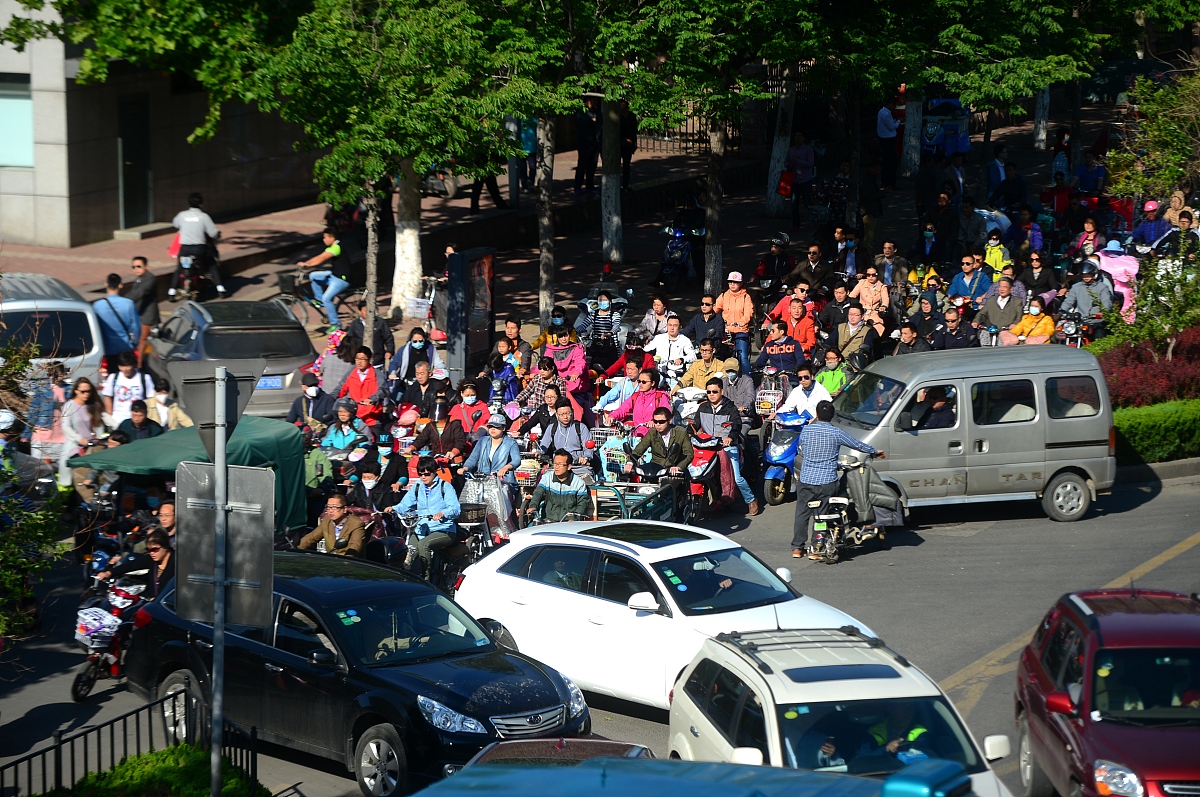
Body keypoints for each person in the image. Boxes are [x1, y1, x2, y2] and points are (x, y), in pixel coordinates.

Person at [792, 400, 880, 559]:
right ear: (832, 416)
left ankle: (797, 548)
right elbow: (857, 444)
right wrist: (874, 451)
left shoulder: (806, 431)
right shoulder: (836, 433)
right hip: (826, 482)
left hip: (806, 480)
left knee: (802, 514)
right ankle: (816, 548)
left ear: (816, 414)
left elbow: (802, 448)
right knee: (822, 514)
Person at [698, 378, 758, 515]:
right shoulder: (702, 408)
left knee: (736, 477)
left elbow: (736, 426)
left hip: (727, 447)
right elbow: (694, 425)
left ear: (722, 391)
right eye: (709, 392)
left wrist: (730, 437)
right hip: (708, 447)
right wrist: (690, 433)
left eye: (715, 391)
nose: (711, 394)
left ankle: (751, 499)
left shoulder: (730, 408)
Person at [395, 455, 461, 576]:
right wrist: (392, 509)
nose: (423, 477)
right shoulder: (417, 486)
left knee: (423, 545)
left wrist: (443, 513)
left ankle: (426, 578)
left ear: (435, 472)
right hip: (421, 529)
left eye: (427, 474)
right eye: (421, 474)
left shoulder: (445, 487)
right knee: (407, 551)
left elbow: (456, 509)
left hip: (443, 530)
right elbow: (405, 504)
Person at [170, 193, 226, 298]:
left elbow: (175, 224)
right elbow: (213, 233)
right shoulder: (204, 217)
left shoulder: (182, 215)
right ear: (201, 204)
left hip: (185, 249)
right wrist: (218, 234)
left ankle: (171, 292)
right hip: (199, 249)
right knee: (212, 264)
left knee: (179, 268)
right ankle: (221, 289)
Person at [299, 228, 353, 334]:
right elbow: (319, 256)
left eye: (325, 237)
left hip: (341, 279)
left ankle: (336, 325)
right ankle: (319, 301)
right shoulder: (333, 246)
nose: (324, 240)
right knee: (313, 275)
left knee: (327, 298)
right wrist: (306, 263)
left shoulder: (336, 247)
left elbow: (322, 258)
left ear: (332, 238)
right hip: (334, 275)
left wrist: (308, 265)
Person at [97, 528, 175, 598]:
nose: (151, 553)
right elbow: (130, 566)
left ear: (165, 547)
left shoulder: (177, 562)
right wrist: (108, 573)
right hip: (151, 601)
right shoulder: (151, 559)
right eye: (148, 550)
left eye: (155, 550)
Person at [59, 377, 104, 486]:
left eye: (89, 391)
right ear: (76, 391)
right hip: (76, 447)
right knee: (76, 476)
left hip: (93, 447)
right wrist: (79, 439)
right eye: (83, 392)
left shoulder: (93, 405)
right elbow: (65, 426)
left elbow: (104, 418)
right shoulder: (69, 405)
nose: (86, 394)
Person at [624, 408, 693, 477]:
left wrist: (678, 467)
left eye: (661, 422)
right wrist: (630, 463)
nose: (658, 424)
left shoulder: (681, 432)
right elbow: (639, 450)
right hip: (655, 471)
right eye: (655, 421)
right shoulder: (652, 433)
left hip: (674, 472)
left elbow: (689, 454)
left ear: (670, 420)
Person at [527, 450, 591, 523]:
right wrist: (533, 506)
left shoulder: (579, 483)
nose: (556, 467)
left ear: (569, 467)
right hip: (548, 521)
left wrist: (574, 518)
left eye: (560, 464)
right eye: (555, 464)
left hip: (568, 523)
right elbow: (538, 494)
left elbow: (582, 504)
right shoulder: (546, 478)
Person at [93, 273, 142, 366]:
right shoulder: (129, 304)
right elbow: (136, 327)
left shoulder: (97, 305)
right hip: (125, 347)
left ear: (106, 284)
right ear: (120, 285)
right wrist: (134, 344)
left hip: (106, 348)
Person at [539, 399, 594, 476]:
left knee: (588, 476)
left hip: (577, 466)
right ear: (557, 415)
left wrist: (586, 458)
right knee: (545, 477)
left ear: (572, 412)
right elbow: (543, 446)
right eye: (561, 414)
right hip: (558, 466)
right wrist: (538, 452)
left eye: (568, 413)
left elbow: (588, 447)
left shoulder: (581, 427)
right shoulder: (552, 428)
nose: (565, 417)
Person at [607, 369, 672, 435]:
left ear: (652, 383)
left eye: (644, 382)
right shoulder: (636, 396)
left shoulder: (660, 397)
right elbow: (622, 409)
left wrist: (654, 422)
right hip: (636, 436)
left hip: (654, 436)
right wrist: (612, 416)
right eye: (639, 381)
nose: (640, 384)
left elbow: (665, 415)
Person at [300, 493, 366, 557]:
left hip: (350, 562)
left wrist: (347, 559)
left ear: (345, 509)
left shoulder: (356, 523)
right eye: (328, 507)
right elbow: (310, 538)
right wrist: (295, 549)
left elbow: (356, 546)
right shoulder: (326, 521)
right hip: (331, 561)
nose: (330, 511)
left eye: (334, 507)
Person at [101, 350, 156, 426]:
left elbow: (151, 399)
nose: (125, 369)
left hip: (138, 421)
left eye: (127, 366)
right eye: (122, 366)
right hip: (117, 420)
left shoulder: (145, 378)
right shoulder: (113, 377)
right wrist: (110, 416)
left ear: (134, 365)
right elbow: (107, 397)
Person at [464, 415, 521, 488]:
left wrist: (506, 468)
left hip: (503, 484)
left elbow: (517, 460)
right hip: (482, 482)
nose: (493, 429)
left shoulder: (511, 443)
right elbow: (473, 458)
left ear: (503, 428)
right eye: (490, 426)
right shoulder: (482, 441)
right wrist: (465, 468)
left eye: (497, 427)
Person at [714, 273, 754, 375]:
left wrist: (740, 322)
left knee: (743, 357)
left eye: (735, 282)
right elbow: (714, 310)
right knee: (721, 355)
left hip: (741, 330)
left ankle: (748, 381)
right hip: (726, 331)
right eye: (730, 282)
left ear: (740, 283)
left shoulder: (746, 297)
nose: (732, 284)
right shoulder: (723, 296)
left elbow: (748, 313)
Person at [406, 398, 467, 464]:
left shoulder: (455, 424)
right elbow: (422, 438)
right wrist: (412, 447)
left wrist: (454, 452)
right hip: (436, 460)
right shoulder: (431, 425)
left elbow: (461, 441)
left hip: (452, 461)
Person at [337, 347, 387, 427]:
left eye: (362, 359)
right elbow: (340, 389)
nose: (359, 362)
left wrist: (373, 399)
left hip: (372, 419)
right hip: (354, 418)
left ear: (369, 360)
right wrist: (330, 398)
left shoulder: (377, 375)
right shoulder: (351, 374)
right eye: (357, 359)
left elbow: (382, 390)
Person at [575, 290, 623, 370]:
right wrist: (573, 331)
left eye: (604, 300)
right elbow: (584, 325)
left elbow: (616, 326)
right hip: (597, 346)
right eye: (600, 300)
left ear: (610, 301)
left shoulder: (615, 314)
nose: (602, 302)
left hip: (610, 346)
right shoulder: (593, 314)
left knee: (610, 369)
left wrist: (609, 333)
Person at [125, 257, 160, 356]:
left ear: (146, 266)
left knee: (142, 341)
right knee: (138, 340)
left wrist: (122, 301)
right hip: (138, 314)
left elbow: (139, 293)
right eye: (134, 267)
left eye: (139, 266)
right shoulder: (138, 279)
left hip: (147, 316)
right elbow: (133, 293)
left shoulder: (151, 278)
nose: (136, 269)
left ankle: (139, 366)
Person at [645, 315, 696, 384]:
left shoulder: (685, 340)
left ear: (680, 327)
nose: (672, 328)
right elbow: (646, 350)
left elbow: (693, 356)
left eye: (675, 325)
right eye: (670, 325)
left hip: (675, 374)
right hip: (659, 373)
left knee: (675, 393)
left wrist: (682, 359)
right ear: (666, 325)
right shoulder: (659, 338)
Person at [754, 321, 804, 387]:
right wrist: (755, 366)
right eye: (770, 331)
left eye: (773, 331)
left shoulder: (794, 344)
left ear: (781, 332)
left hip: (791, 378)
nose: (770, 333)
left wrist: (795, 369)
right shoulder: (769, 345)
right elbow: (761, 360)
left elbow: (801, 360)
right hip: (774, 378)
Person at [347, 303, 394, 369]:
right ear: (360, 312)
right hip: (359, 362)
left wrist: (389, 351)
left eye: (370, 311)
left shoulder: (380, 323)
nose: (368, 313)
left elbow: (388, 338)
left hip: (377, 361)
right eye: (366, 311)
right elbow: (348, 340)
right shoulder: (355, 324)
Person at [574, 97, 601, 194]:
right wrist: (591, 120)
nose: (594, 102)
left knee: (592, 165)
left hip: (595, 142)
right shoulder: (582, 112)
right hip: (584, 143)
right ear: (587, 102)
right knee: (582, 165)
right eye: (593, 100)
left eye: (595, 101)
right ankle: (578, 185)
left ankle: (590, 185)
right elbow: (583, 122)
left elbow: (599, 122)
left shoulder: (597, 112)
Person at [876, 100, 899, 189]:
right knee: (891, 162)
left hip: (885, 139)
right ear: (889, 104)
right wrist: (898, 122)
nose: (894, 107)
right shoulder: (885, 114)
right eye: (893, 105)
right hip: (888, 139)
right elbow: (891, 127)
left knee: (887, 162)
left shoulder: (882, 112)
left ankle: (886, 182)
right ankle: (890, 183)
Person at [620, 99, 638, 191]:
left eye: (624, 105)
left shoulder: (631, 116)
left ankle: (625, 184)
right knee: (617, 165)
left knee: (626, 165)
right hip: (619, 144)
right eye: (621, 105)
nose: (622, 106)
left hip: (629, 144)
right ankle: (618, 183)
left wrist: (634, 143)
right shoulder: (617, 116)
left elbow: (634, 130)